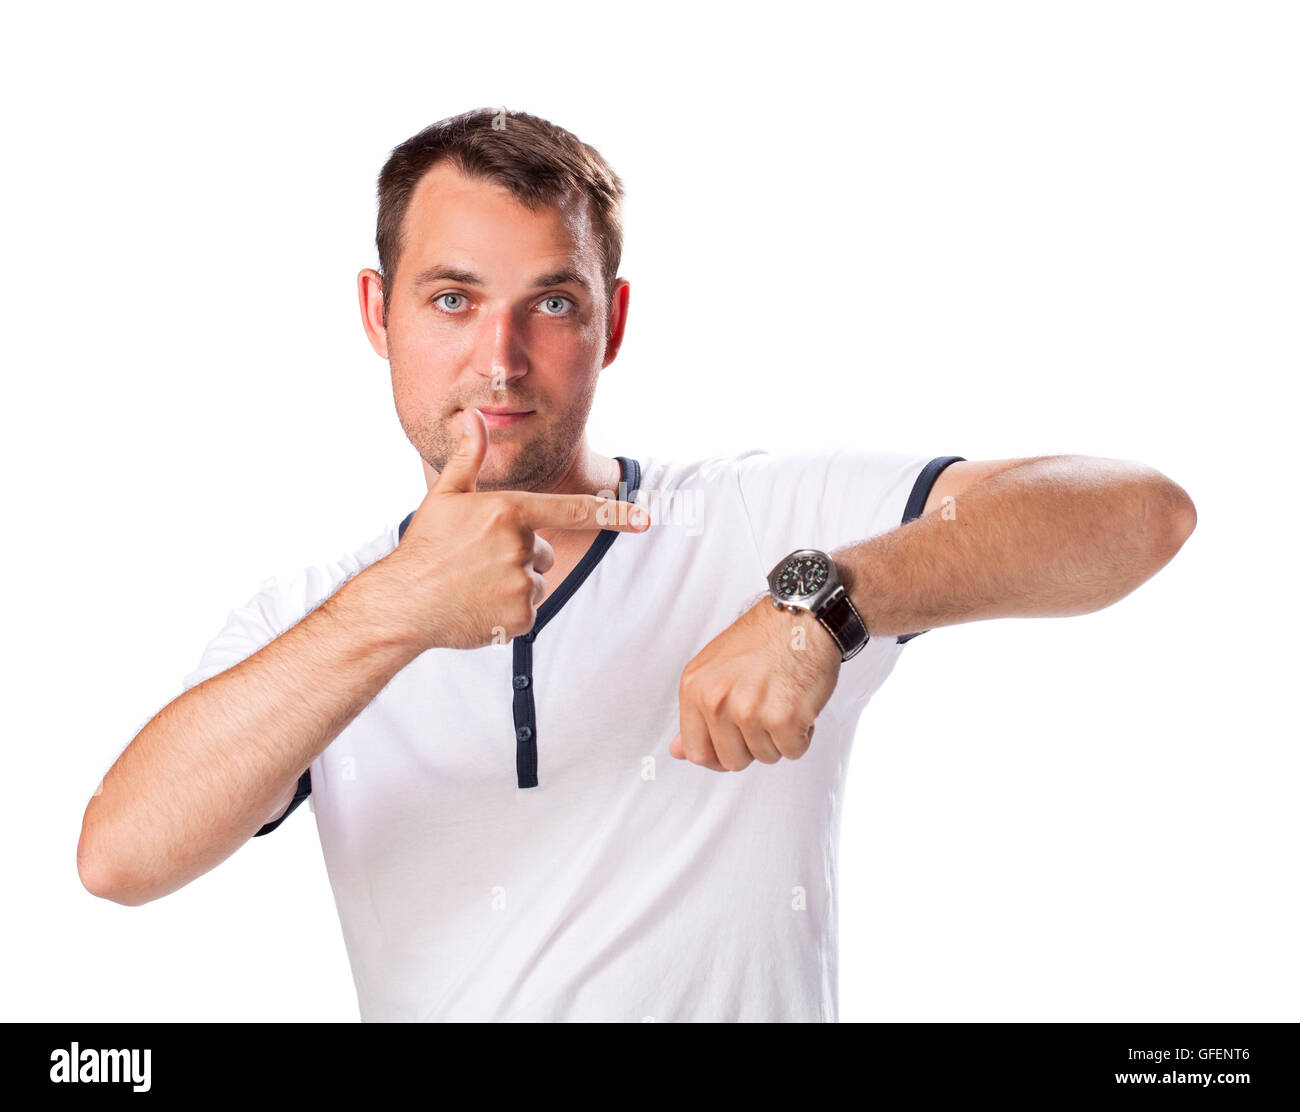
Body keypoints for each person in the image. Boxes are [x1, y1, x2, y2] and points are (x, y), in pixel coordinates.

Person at [77, 107, 1197, 1021]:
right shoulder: (314, 617)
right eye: (453, 299)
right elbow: (120, 857)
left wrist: (826, 598)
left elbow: (1137, 513)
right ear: (379, 314)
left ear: (610, 323)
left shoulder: (755, 518)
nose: (498, 358)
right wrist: (394, 610)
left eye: (551, 303)